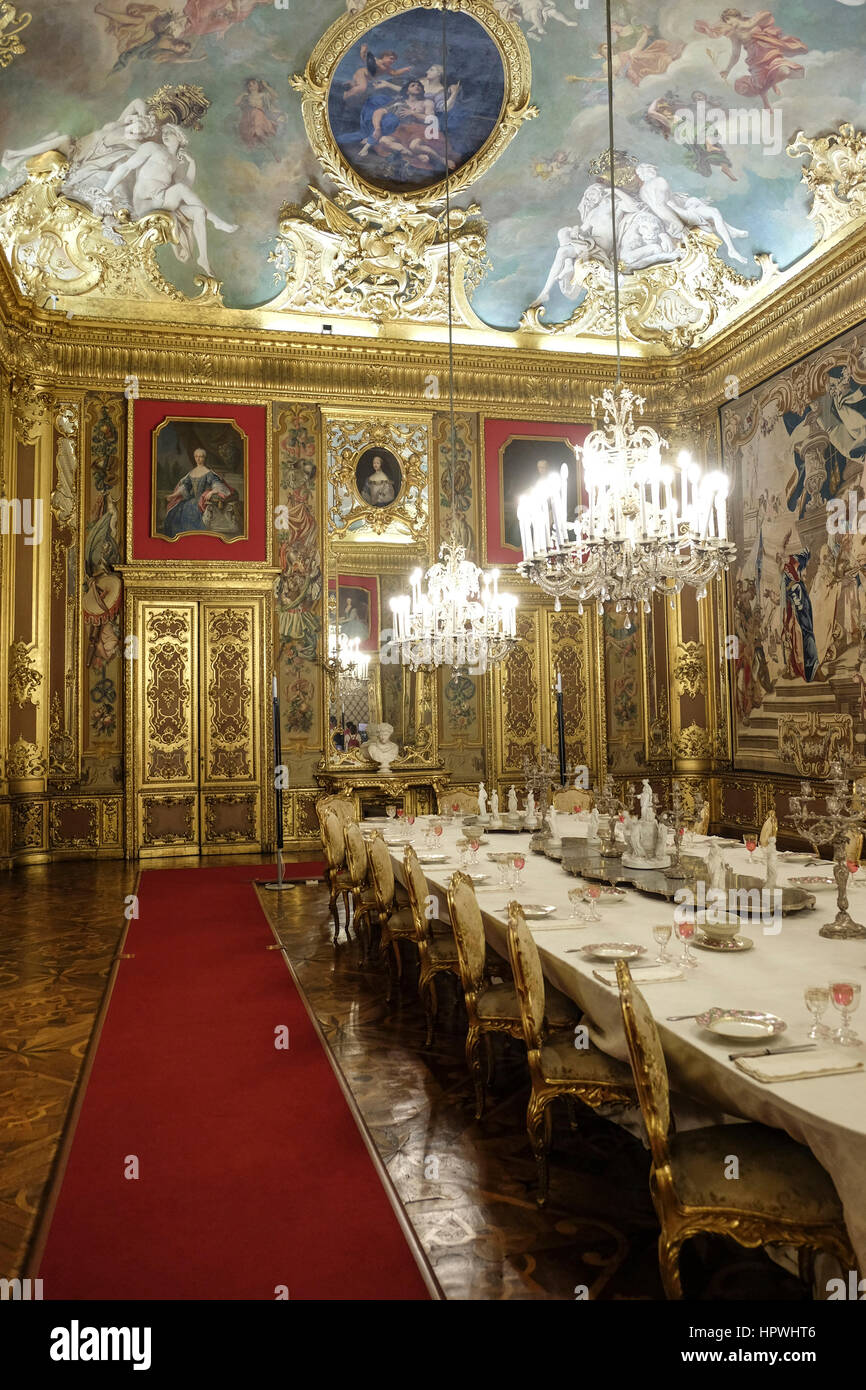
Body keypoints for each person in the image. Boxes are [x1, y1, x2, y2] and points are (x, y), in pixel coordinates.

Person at [103, 124, 238, 275]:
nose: (165, 135)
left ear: (180, 137)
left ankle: (203, 259)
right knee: (181, 190)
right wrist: (105, 191)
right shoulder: (153, 148)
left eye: (170, 132)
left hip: (162, 201)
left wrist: (192, 164)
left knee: (198, 211)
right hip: (146, 202)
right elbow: (127, 167)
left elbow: (185, 186)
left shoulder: (175, 163)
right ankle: (215, 220)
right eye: (164, 132)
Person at [162, 445, 237, 538]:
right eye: (196, 456)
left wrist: (211, 492)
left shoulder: (208, 473)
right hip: (189, 501)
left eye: (201, 456)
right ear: (194, 458)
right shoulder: (191, 473)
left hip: (201, 501)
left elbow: (217, 485)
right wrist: (173, 495)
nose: (198, 458)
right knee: (175, 513)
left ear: (204, 458)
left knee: (192, 513)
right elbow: (184, 487)